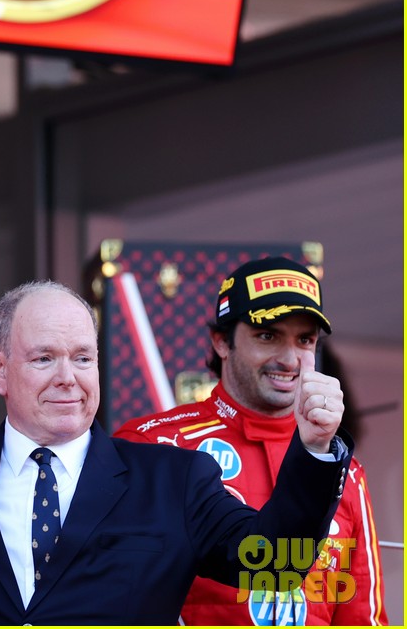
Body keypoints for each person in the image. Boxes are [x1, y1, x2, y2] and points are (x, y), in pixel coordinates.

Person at [0, 279, 353, 624]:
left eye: (82, 357)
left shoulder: (172, 479)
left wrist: (312, 449)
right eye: (43, 358)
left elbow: (275, 564)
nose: (67, 377)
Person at [115, 257, 386, 624]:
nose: (290, 359)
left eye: (305, 340)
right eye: (268, 335)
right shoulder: (155, 446)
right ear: (222, 342)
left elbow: (364, 618)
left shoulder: (343, 470)